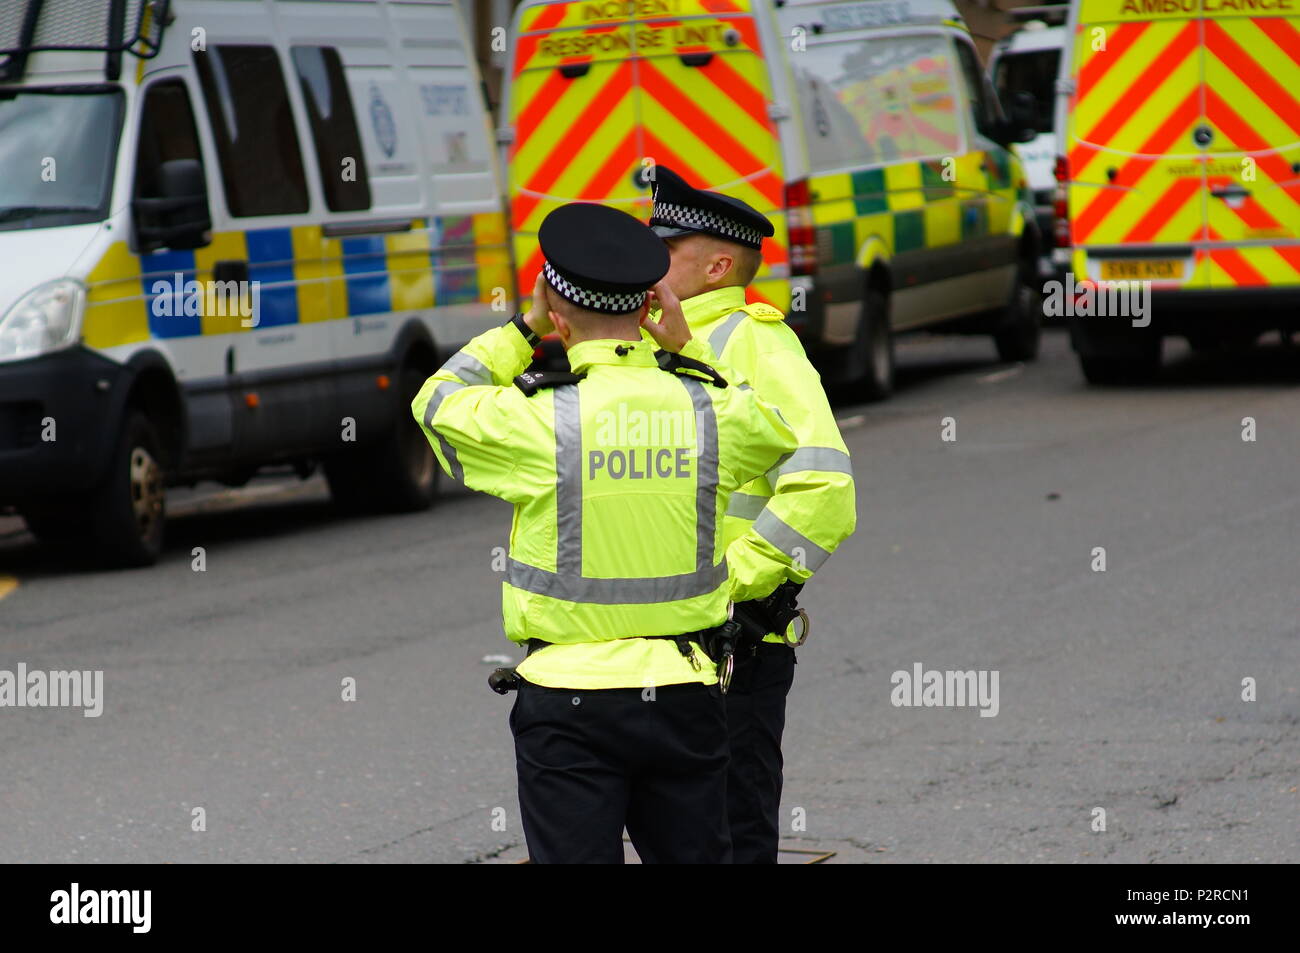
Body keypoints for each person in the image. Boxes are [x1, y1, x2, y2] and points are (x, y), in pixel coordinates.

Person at [411, 201, 800, 864]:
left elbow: (437, 401)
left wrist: (522, 329)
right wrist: (690, 348)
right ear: (651, 306)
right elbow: (773, 430)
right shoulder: (706, 408)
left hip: (569, 701)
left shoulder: (537, 418)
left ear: (558, 314)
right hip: (685, 691)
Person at [647, 166, 858, 864]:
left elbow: (823, 488)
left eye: (667, 246)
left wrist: (730, 585)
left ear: (717, 264)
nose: (650, 255)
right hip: (639, 647)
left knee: (731, 836)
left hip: (731, 647)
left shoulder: (758, 343)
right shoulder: (639, 344)